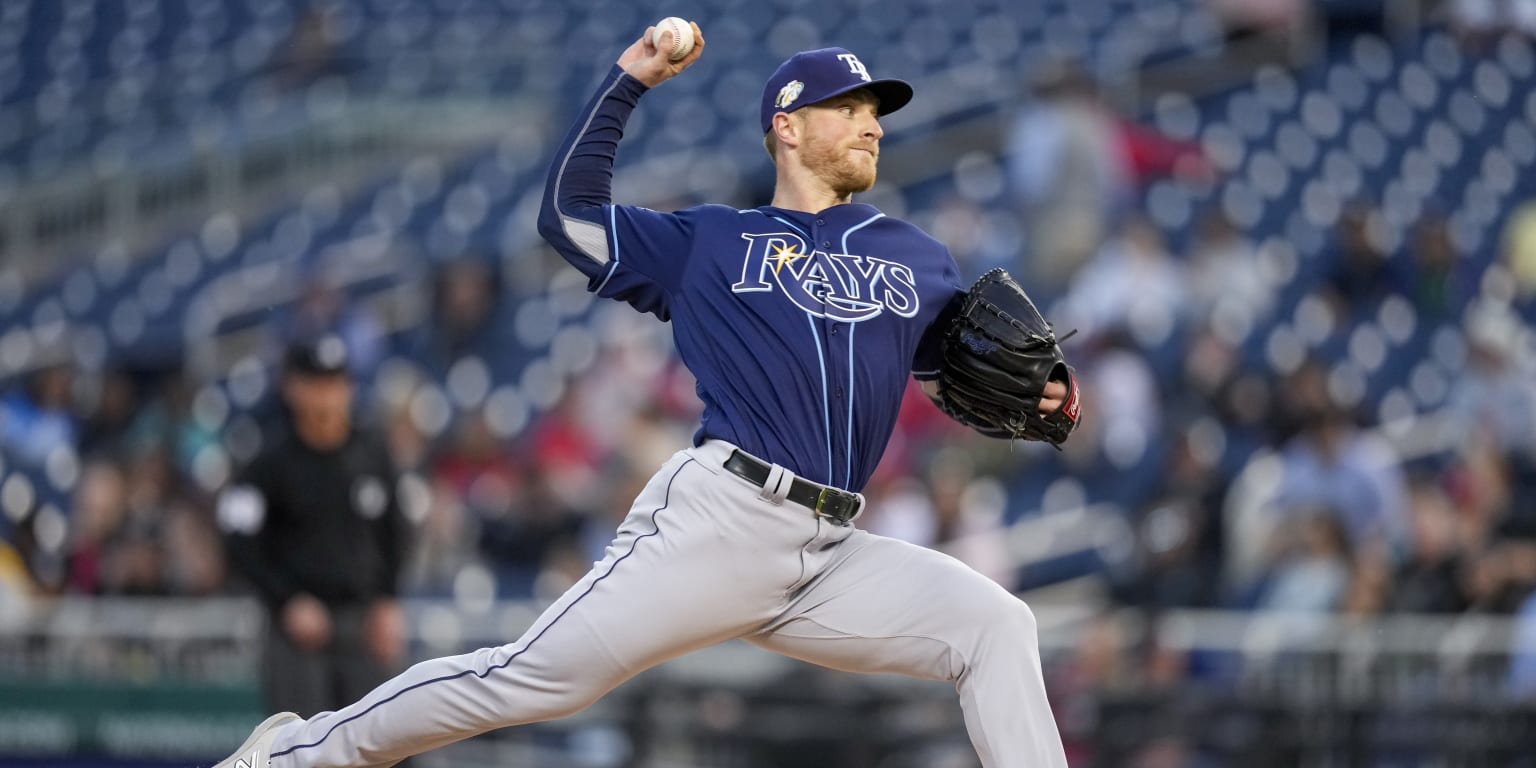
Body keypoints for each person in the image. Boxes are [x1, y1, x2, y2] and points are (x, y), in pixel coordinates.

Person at [215, 23, 1071, 768]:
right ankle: (295, 753)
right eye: (846, 107)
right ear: (787, 127)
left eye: (874, 111)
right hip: (721, 523)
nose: (869, 124)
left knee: (996, 626)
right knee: (527, 682)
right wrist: (630, 81)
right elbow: (570, 216)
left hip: (833, 549)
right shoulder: (711, 242)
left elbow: (957, 366)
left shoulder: (914, 255)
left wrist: (1041, 398)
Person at [217, 334, 410, 721]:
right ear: (293, 388)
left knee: (384, 745)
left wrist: (389, 599)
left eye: (335, 384)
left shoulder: (372, 453)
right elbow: (239, 541)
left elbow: (396, 529)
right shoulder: (268, 464)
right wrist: (285, 599)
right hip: (298, 632)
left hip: (363, 622)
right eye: (316, 384)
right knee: (302, 747)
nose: (327, 397)